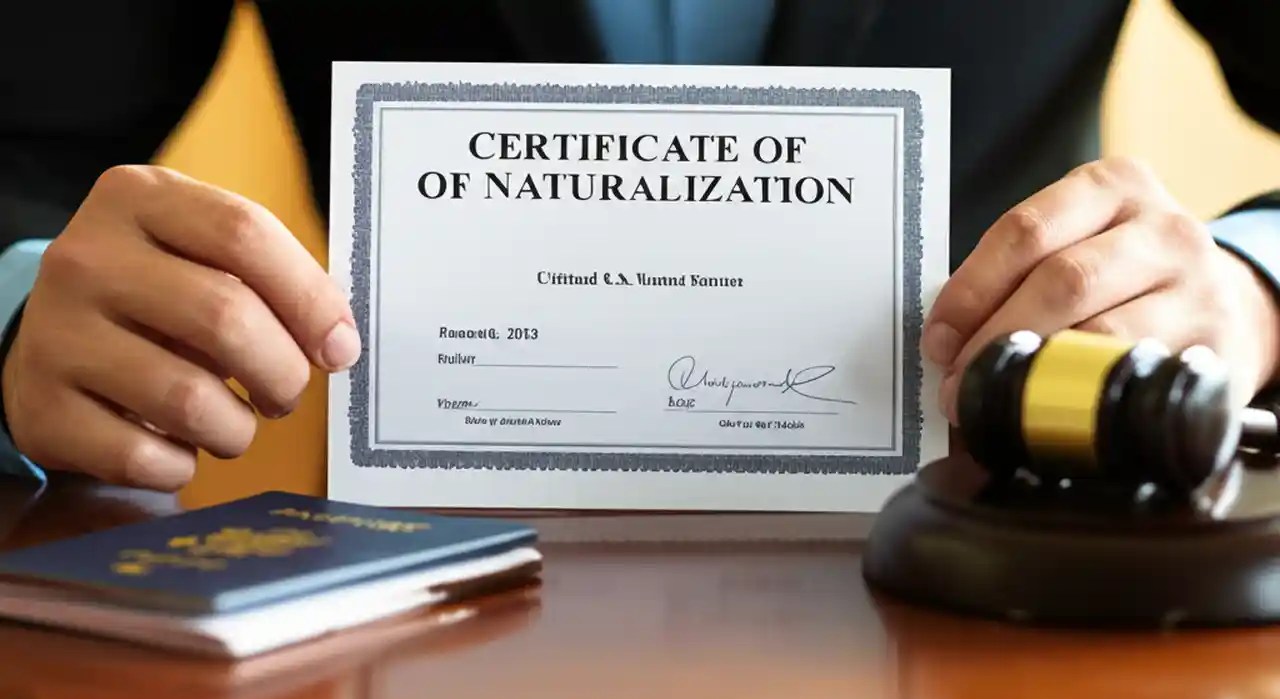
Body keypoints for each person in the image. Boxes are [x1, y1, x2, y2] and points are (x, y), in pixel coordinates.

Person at [0, 1, 1277, 490]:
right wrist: (14, 313)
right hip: (426, 612)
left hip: (1015, 583)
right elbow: (23, 141)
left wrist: (1251, 291)